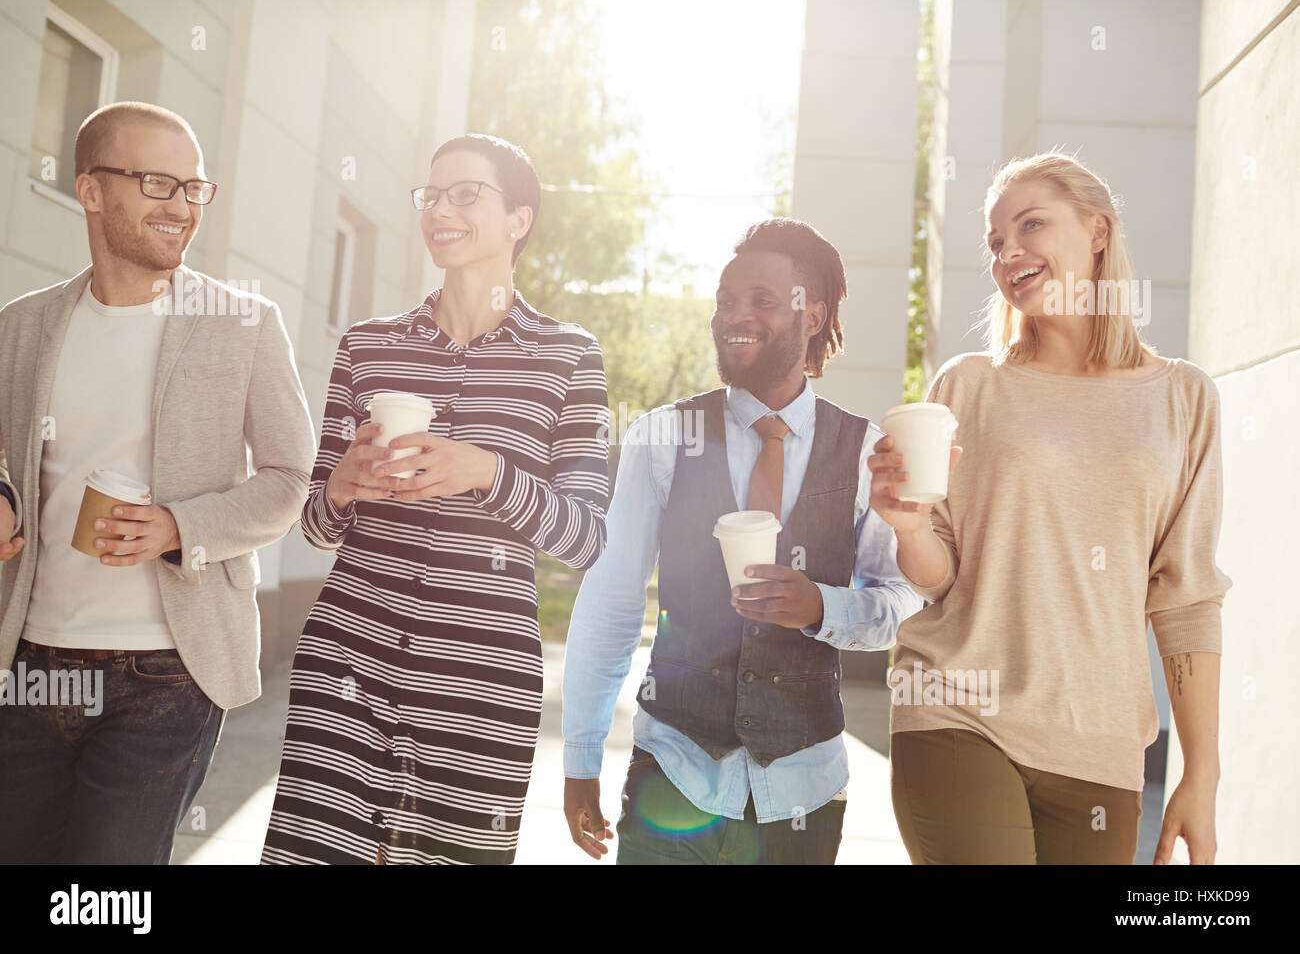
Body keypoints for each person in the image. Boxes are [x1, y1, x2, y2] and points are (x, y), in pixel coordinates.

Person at [260, 134, 609, 865]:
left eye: (465, 194)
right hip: (346, 663)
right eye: (431, 195)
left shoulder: (569, 355)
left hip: (482, 682)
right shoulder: (366, 347)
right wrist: (346, 486)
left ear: (519, 219)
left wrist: (488, 471)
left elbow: (585, 536)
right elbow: (317, 524)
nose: (439, 210)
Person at [873, 152, 1230, 864]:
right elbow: (937, 575)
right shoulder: (970, 386)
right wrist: (910, 528)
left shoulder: (1183, 398)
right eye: (996, 241)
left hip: (1101, 747)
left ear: (1097, 231)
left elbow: (1186, 598)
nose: (1009, 252)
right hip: (958, 711)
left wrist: (1202, 774)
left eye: (1030, 225)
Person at [0, 101, 316, 863]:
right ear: (91, 190)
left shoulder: (244, 322)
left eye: (194, 188)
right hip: (31, 662)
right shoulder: (22, 325)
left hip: (167, 674)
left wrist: (181, 527)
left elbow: (289, 479)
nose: (181, 206)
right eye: (156, 183)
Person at [562, 217, 923, 864]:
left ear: (813, 316)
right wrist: (581, 756)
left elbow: (897, 605)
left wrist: (822, 608)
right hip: (671, 779)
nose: (737, 315)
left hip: (803, 797)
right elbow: (611, 600)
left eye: (762, 299)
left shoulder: (866, 451)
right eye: (727, 300)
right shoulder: (662, 437)